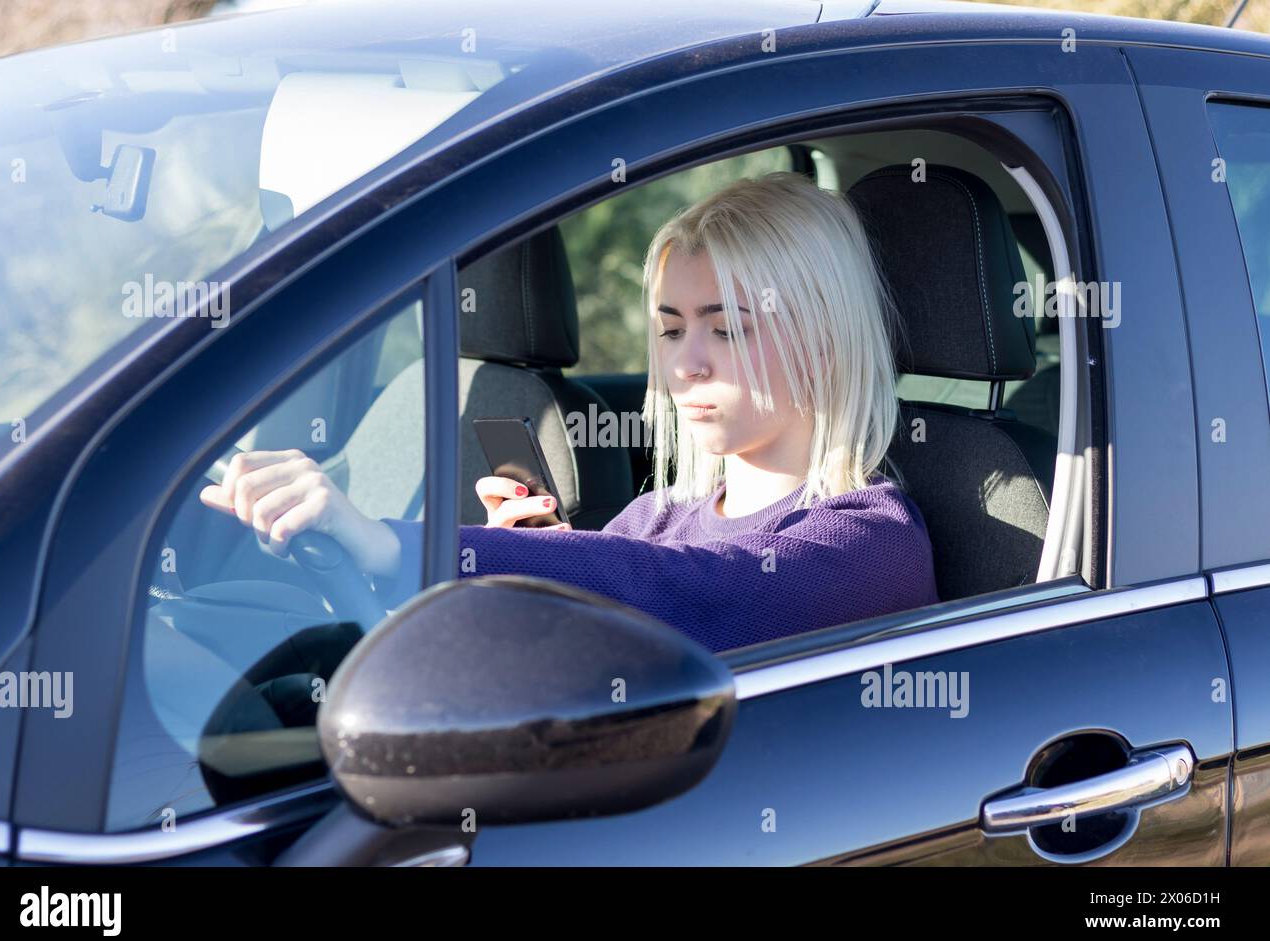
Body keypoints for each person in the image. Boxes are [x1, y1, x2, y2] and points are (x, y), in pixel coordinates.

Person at [201, 171, 939, 653]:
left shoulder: (870, 541)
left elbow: (690, 592)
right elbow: (623, 589)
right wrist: (526, 560)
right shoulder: (657, 517)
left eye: (730, 326)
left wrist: (403, 548)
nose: (689, 362)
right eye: (673, 328)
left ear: (823, 337)